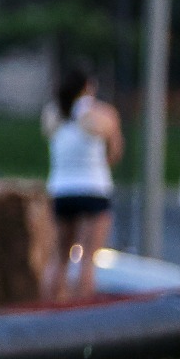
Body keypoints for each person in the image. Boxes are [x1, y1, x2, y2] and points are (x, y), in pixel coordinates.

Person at [41, 66, 123, 301]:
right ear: (88, 86)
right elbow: (115, 150)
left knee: (59, 257)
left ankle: (48, 307)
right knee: (88, 259)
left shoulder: (53, 114)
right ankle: (82, 311)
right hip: (93, 189)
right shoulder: (100, 114)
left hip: (61, 190)